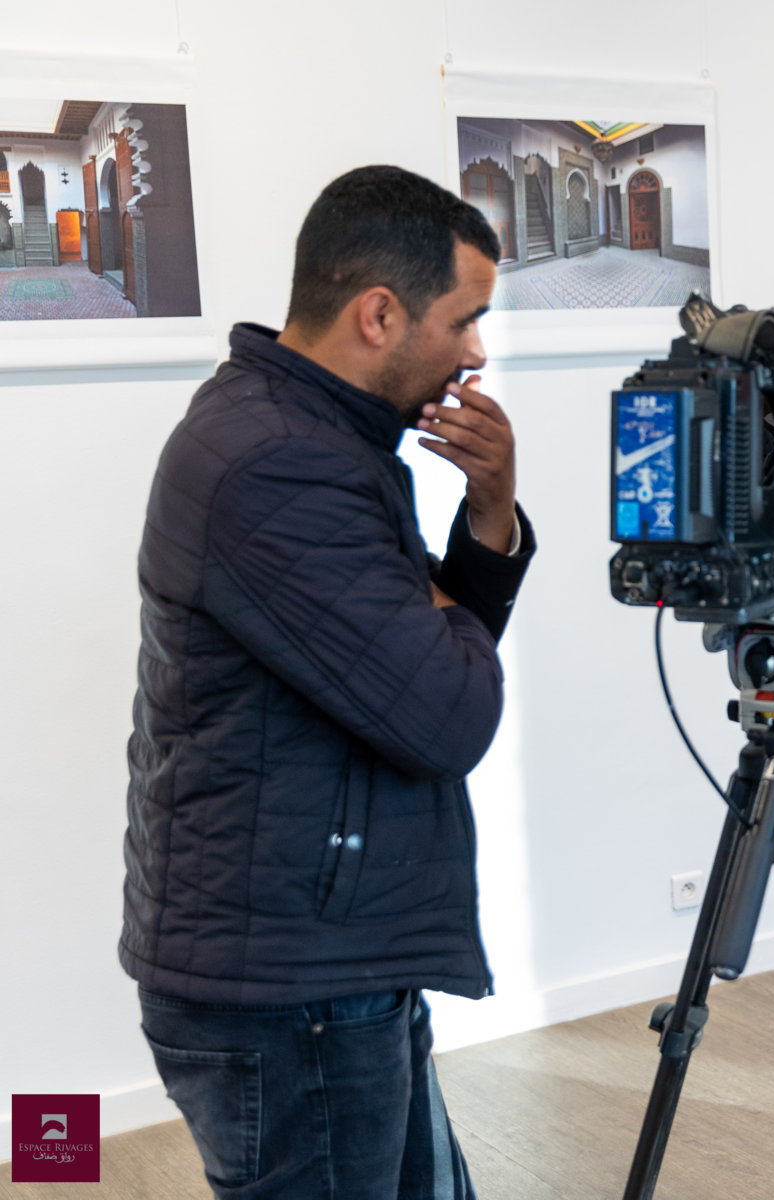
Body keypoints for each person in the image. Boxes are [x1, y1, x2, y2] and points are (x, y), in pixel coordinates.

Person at [120, 165, 532, 1199]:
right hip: (292, 984)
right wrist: (442, 606)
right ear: (379, 314)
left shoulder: (324, 444)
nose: (478, 351)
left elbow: (424, 675)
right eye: (466, 318)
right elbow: (446, 715)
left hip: (331, 958)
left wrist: (486, 521)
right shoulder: (278, 465)